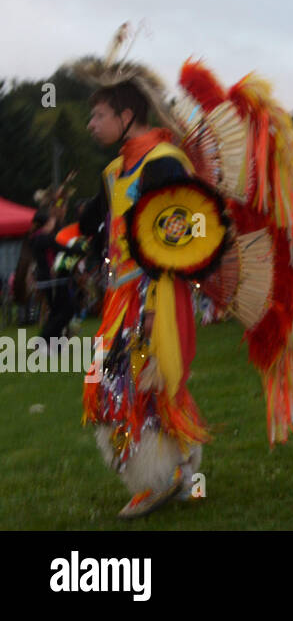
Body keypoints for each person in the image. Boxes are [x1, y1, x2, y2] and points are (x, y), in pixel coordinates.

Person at [81, 81, 207, 518]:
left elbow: (178, 237)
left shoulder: (164, 163)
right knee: (142, 386)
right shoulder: (116, 171)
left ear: (127, 115)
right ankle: (184, 471)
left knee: (116, 385)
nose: (91, 124)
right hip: (121, 297)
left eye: (99, 114)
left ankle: (156, 478)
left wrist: (155, 308)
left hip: (155, 295)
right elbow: (99, 220)